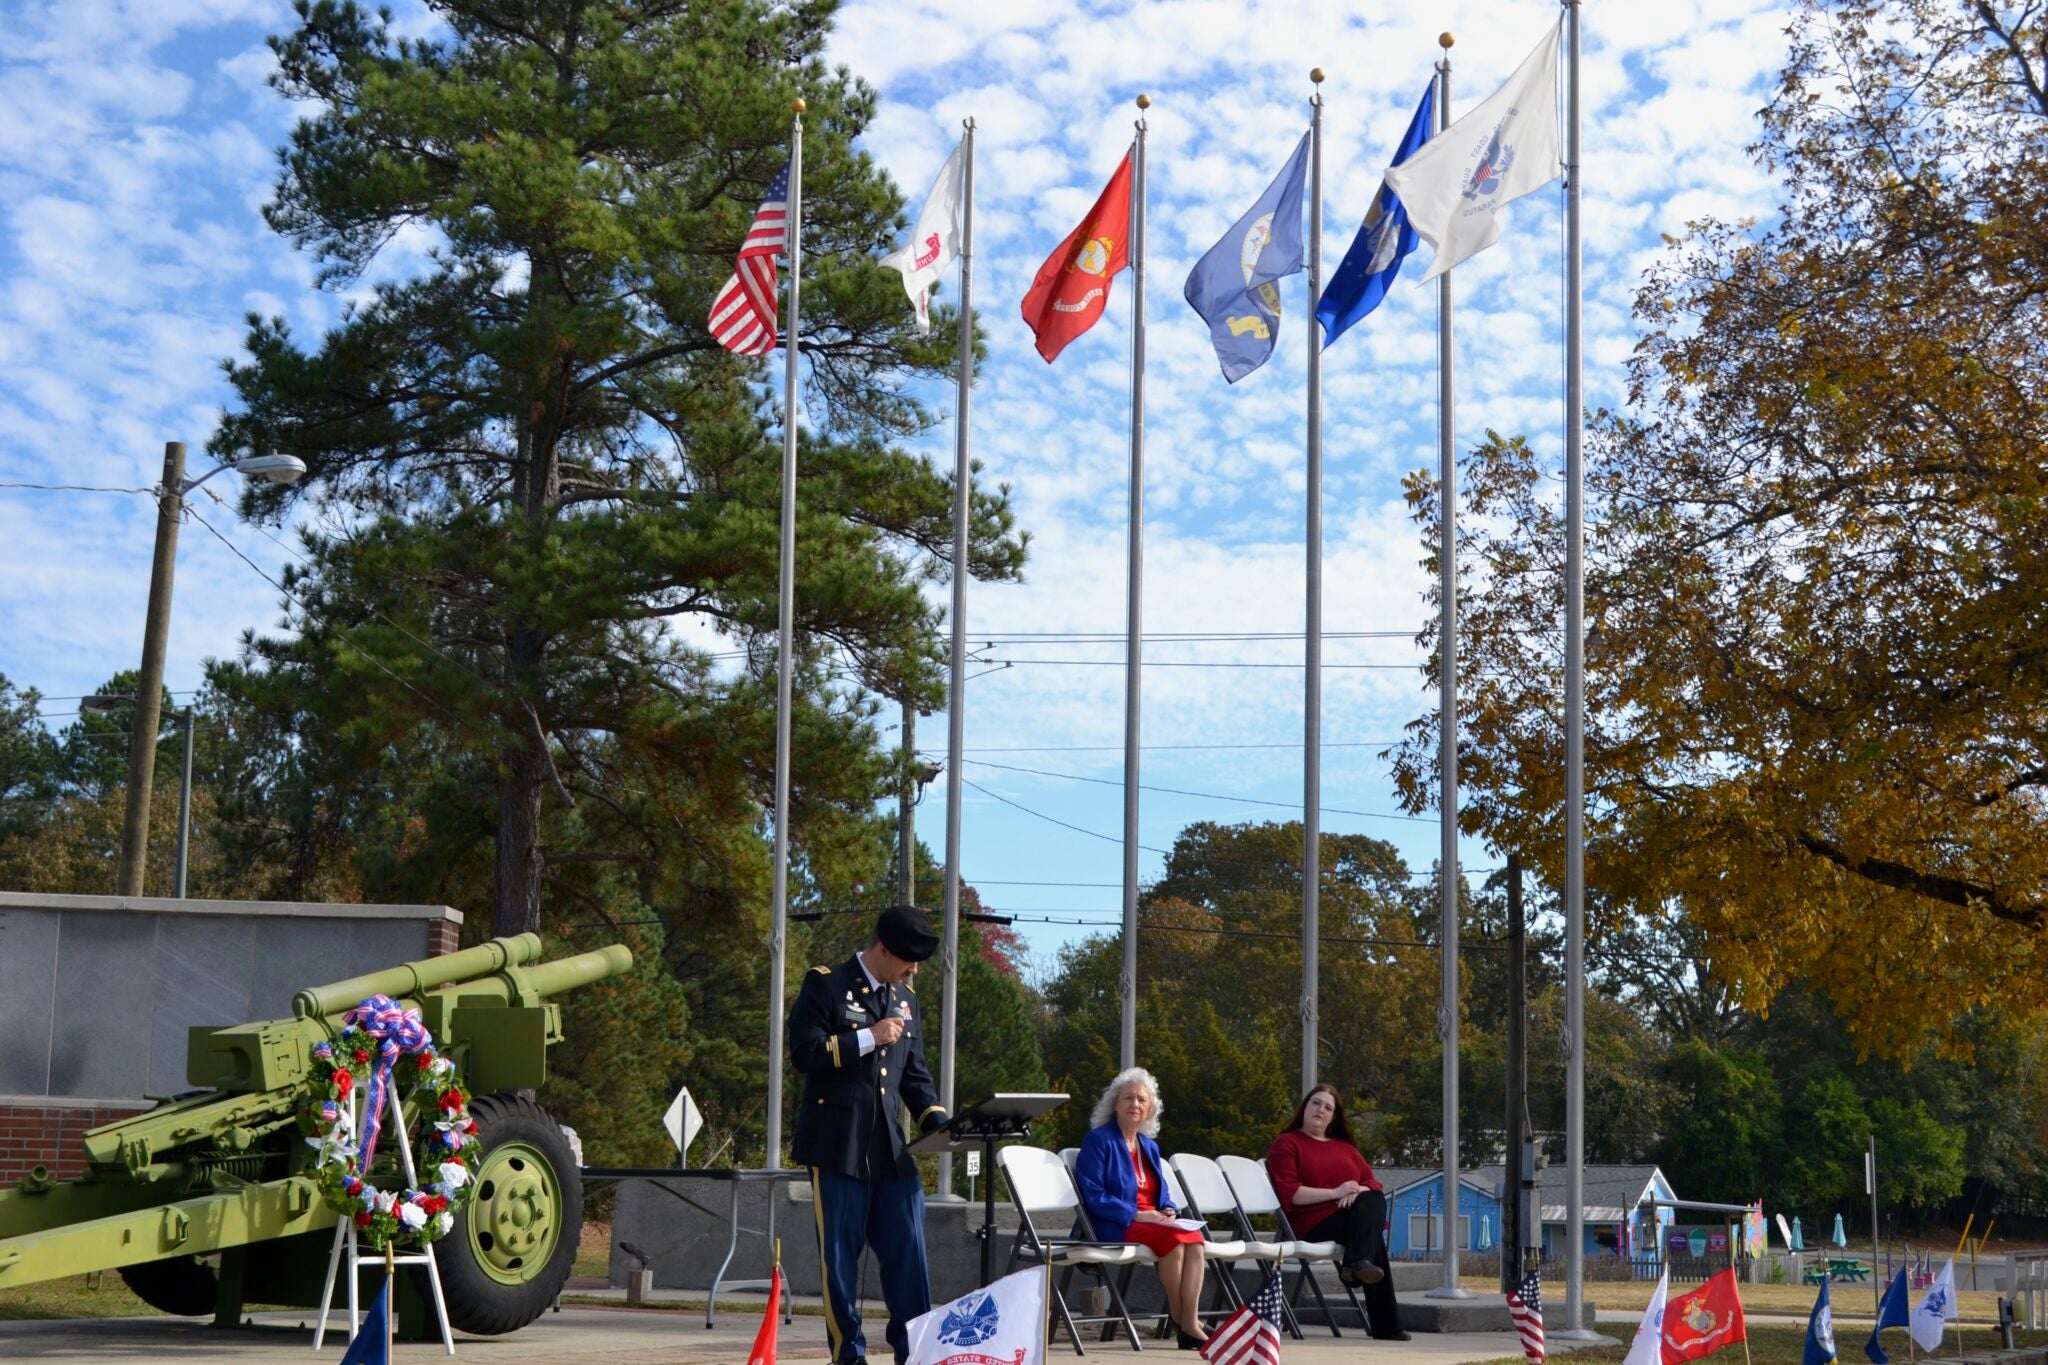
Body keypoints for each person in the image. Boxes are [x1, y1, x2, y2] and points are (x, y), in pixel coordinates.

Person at [790, 905, 951, 1365]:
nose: (914, 969)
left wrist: (941, 1124)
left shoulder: (906, 997)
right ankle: (849, 1357)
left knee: (909, 1256)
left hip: (890, 1150)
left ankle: (915, 1352)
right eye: (909, 959)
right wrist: (869, 1036)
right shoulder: (825, 982)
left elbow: (914, 1076)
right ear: (883, 949)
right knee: (839, 1266)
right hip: (837, 1144)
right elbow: (804, 1052)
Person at [1073, 1067, 1211, 1349]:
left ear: (1150, 1109)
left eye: (1141, 1100)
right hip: (1115, 1221)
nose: (1135, 1104)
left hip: (1153, 1220)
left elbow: (1163, 1193)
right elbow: (1093, 1194)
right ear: (1115, 1103)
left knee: (1196, 1242)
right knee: (1174, 1240)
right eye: (1128, 1098)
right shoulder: (1099, 1141)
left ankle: (1189, 1321)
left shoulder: (1149, 1146)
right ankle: (1182, 1319)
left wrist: (1169, 1210)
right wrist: (1136, 1213)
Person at [1265, 1083, 1409, 1341]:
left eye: (1328, 1107)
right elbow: (1292, 1194)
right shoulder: (1287, 1143)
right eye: (1316, 1103)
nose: (1321, 1109)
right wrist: (1336, 1192)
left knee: (1374, 1197)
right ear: (1305, 1107)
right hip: (1311, 1223)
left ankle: (1355, 1264)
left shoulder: (1346, 1148)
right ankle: (1387, 1325)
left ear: (1333, 1117)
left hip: (1349, 1219)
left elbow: (1373, 1183)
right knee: (1373, 1241)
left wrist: (1356, 1191)